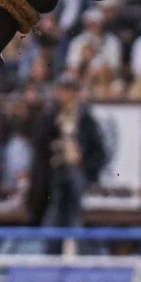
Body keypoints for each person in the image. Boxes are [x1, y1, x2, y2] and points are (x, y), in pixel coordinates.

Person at [25, 75, 107, 241]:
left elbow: (99, 152)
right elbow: (38, 142)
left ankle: (75, 243)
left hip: (77, 173)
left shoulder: (85, 119)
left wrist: (82, 159)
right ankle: (51, 251)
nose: (66, 95)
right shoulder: (50, 115)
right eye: (63, 91)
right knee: (52, 214)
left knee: (75, 210)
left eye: (70, 91)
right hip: (51, 174)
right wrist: (55, 119)